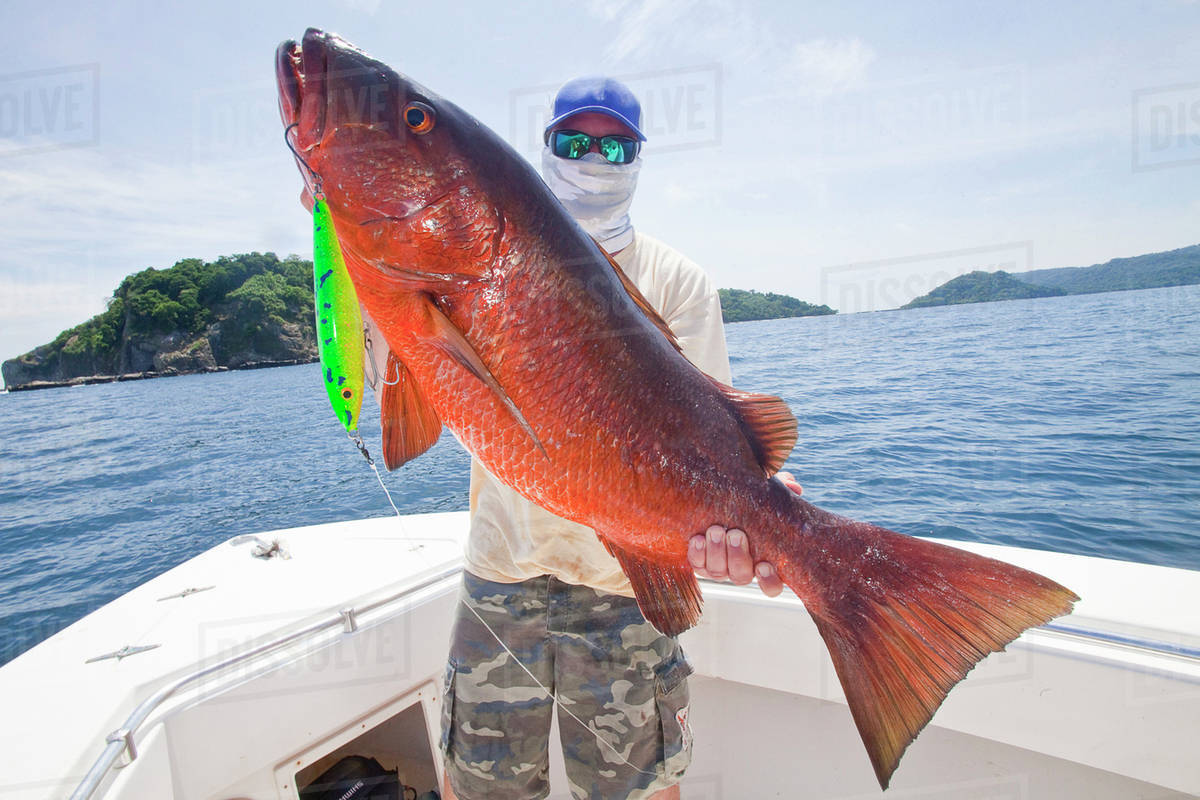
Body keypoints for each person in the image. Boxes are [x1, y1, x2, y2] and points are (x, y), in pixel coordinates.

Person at [436, 77, 801, 800]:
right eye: (575, 142)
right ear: (545, 152)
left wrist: (751, 513)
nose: (593, 160)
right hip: (500, 575)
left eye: (614, 145)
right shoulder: (479, 263)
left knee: (638, 791)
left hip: (624, 587)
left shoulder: (679, 280)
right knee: (477, 788)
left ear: (638, 160)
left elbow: (715, 437)